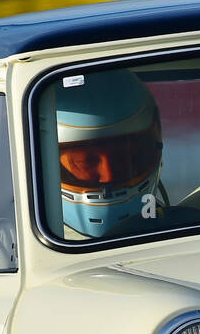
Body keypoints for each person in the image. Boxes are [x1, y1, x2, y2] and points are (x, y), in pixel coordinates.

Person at [55, 70, 163, 238]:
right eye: (86, 162)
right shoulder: (12, 246)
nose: (108, 177)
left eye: (124, 157)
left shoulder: (177, 226)